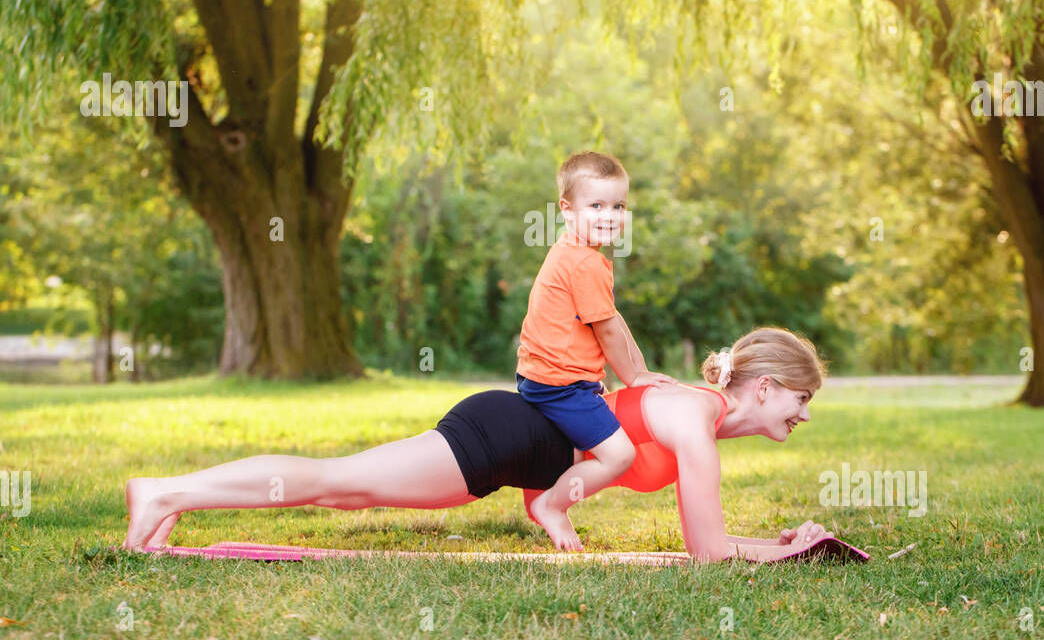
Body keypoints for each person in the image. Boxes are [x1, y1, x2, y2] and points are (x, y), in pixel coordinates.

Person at [124, 327, 831, 564]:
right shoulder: (695, 421)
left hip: (510, 446)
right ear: (766, 387)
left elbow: (707, 540)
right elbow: (708, 554)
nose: (804, 415)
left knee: (343, 489)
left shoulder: (694, 415)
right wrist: (794, 552)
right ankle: (164, 493)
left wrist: (775, 543)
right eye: (802, 399)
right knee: (337, 480)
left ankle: (175, 498)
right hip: (499, 438)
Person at [514, 150, 677, 551]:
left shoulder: (574, 252)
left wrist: (640, 371)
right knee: (619, 455)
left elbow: (612, 320)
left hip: (551, 378)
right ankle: (552, 506)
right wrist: (631, 377)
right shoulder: (585, 264)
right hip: (559, 385)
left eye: (618, 206)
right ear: (567, 210)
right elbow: (606, 331)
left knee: (579, 451)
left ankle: (550, 493)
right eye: (596, 206)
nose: (609, 215)